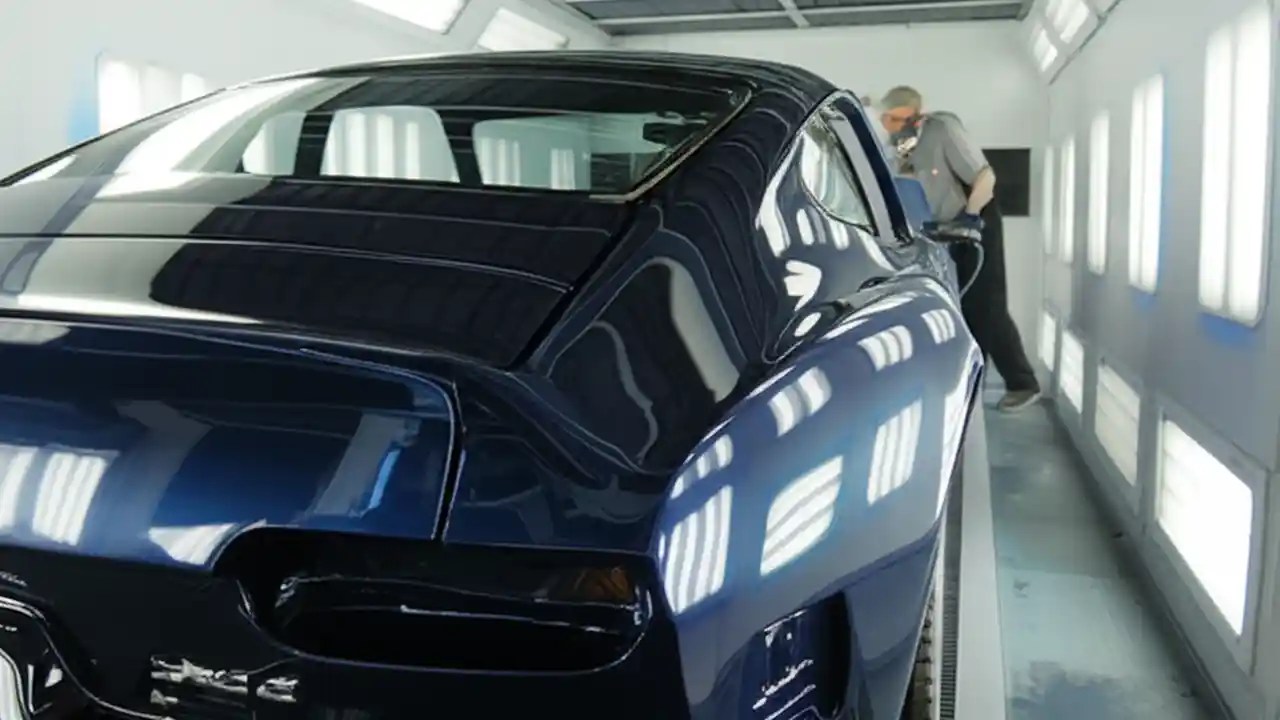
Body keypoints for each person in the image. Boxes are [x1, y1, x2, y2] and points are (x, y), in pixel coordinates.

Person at [878, 86, 1041, 412]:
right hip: (946, 227)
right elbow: (909, 178)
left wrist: (970, 217)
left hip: (978, 220)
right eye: (887, 121)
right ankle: (997, 384)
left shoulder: (942, 129)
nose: (892, 126)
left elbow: (985, 178)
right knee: (969, 303)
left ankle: (1005, 386)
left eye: (897, 120)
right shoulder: (903, 143)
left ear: (914, 114)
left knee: (985, 304)